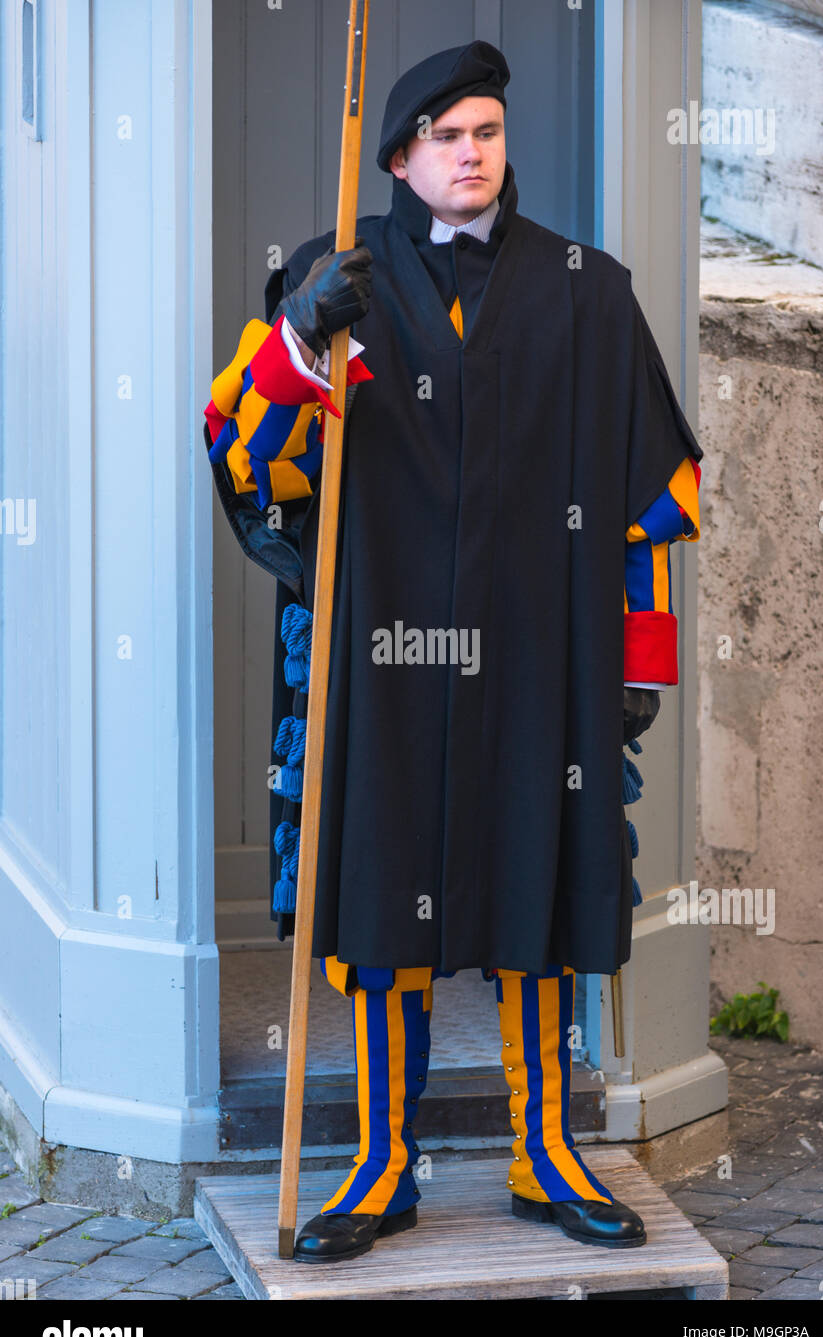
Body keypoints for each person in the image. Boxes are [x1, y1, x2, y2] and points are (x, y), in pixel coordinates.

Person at [204, 40, 703, 1265]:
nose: (469, 153)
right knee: (384, 897)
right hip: (384, 654)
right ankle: (380, 1165)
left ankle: (546, 1149)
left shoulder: (588, 288)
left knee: (535, 882)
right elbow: (245, 454)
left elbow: (653, 493)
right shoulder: (338, 280)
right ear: (399, 158)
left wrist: (640, 664)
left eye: (484, 132)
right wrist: (298, 345)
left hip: (545, 658)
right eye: (445, 137)